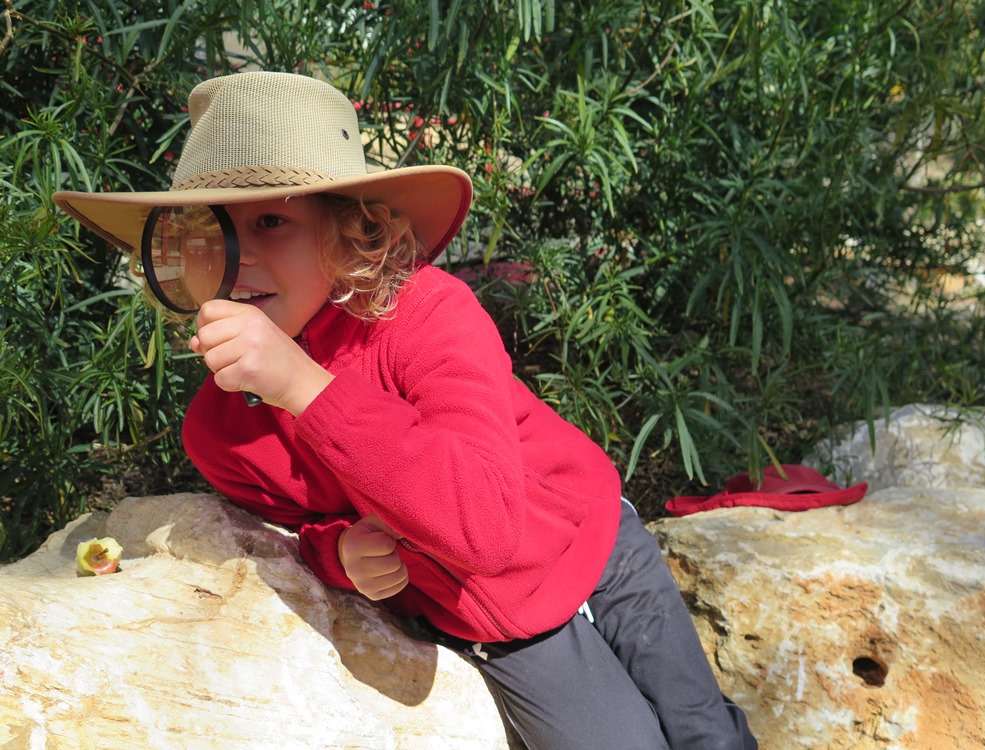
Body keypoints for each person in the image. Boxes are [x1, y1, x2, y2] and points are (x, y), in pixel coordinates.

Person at [54, 71, 757, 749]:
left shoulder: (428, 314)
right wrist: (339, 554)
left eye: (271, 220)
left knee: (706, 733)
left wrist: (305, 387)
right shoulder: (220, 432)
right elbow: (302, 529)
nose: (241, 260)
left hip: (589, 538)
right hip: (491, 623)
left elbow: (484, 525)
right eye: (210, 234)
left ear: (351, 230)